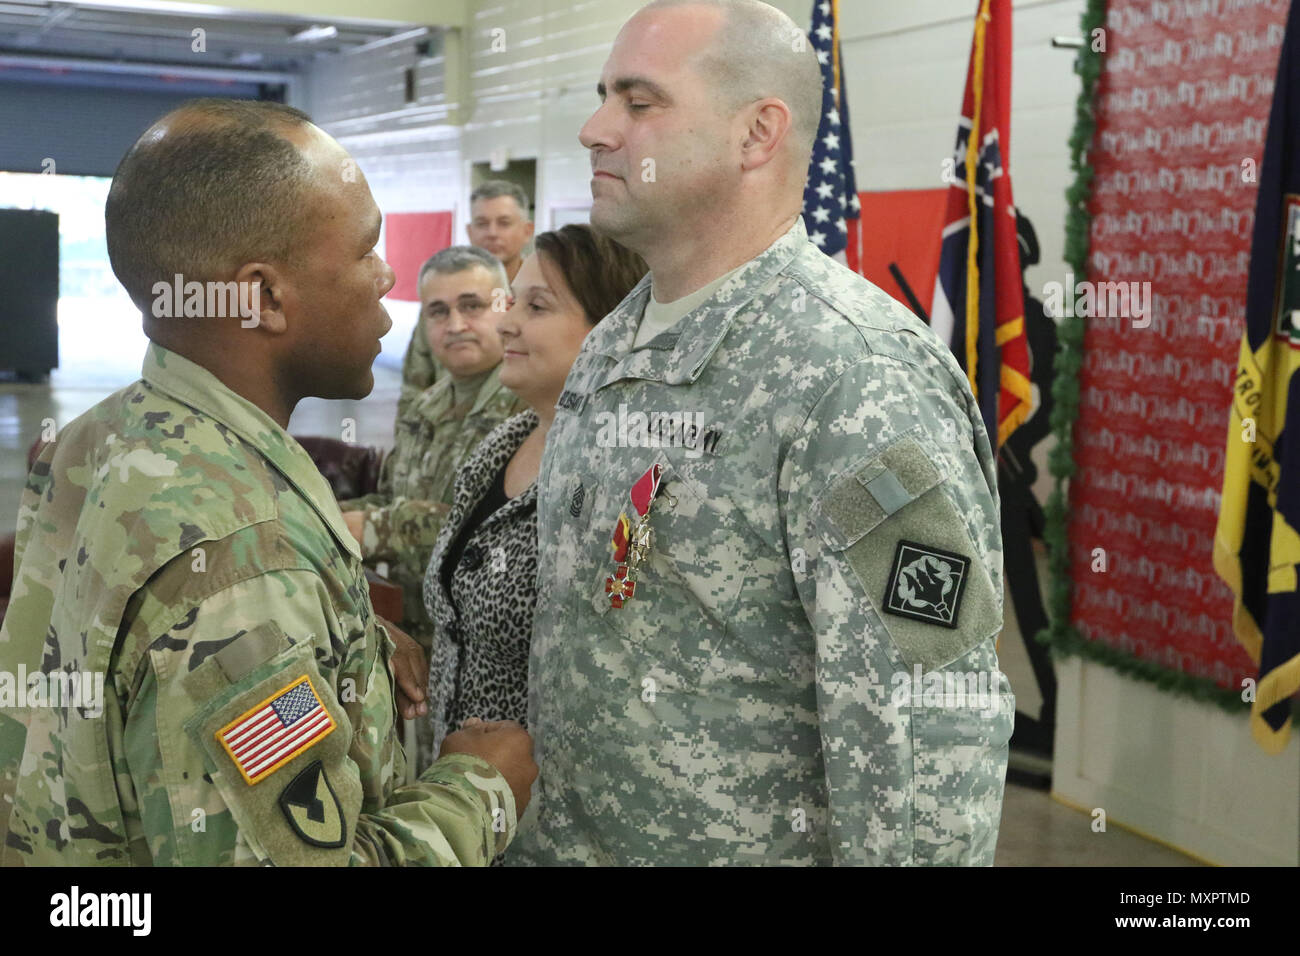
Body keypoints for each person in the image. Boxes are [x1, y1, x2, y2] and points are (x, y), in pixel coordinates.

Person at [511, 0, 1014, 867]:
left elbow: (933, 716)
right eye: (603, 97)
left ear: (756, 135)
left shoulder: (856, 378)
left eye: (639, 102)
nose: (595, 129)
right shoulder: (609, 350)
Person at [0, 99, 535, 866]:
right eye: (364, 250)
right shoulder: (247, 564)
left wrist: (340, 641)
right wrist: (482, 790)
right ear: (263, 296)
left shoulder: (100, 436)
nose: (387, 277)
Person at [422, 226, 647, 756]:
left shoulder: (632, 481)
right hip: (470, 800)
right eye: (511, 303)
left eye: (537, 307)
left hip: (557, 805)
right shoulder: (501, 446)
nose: (505, 323)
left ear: (612, 329)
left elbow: (624, 671)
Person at [340, 245, 527, 770]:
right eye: (438, 311)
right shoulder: (426, 406)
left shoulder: (526, 404)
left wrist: (372, 527)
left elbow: (484, 526)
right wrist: (323, 512)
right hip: (418, 645)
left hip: (490, 663)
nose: (456, 324)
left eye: (473, 305)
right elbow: (394, 494)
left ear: (504, 305)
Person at [400, 181, 536, 417]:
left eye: (503, 223)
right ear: (470, 232)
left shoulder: (543, 301)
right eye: (482, 224)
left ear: (527, 231)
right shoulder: (442, 301)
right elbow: (414, 386)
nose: (492, 233)